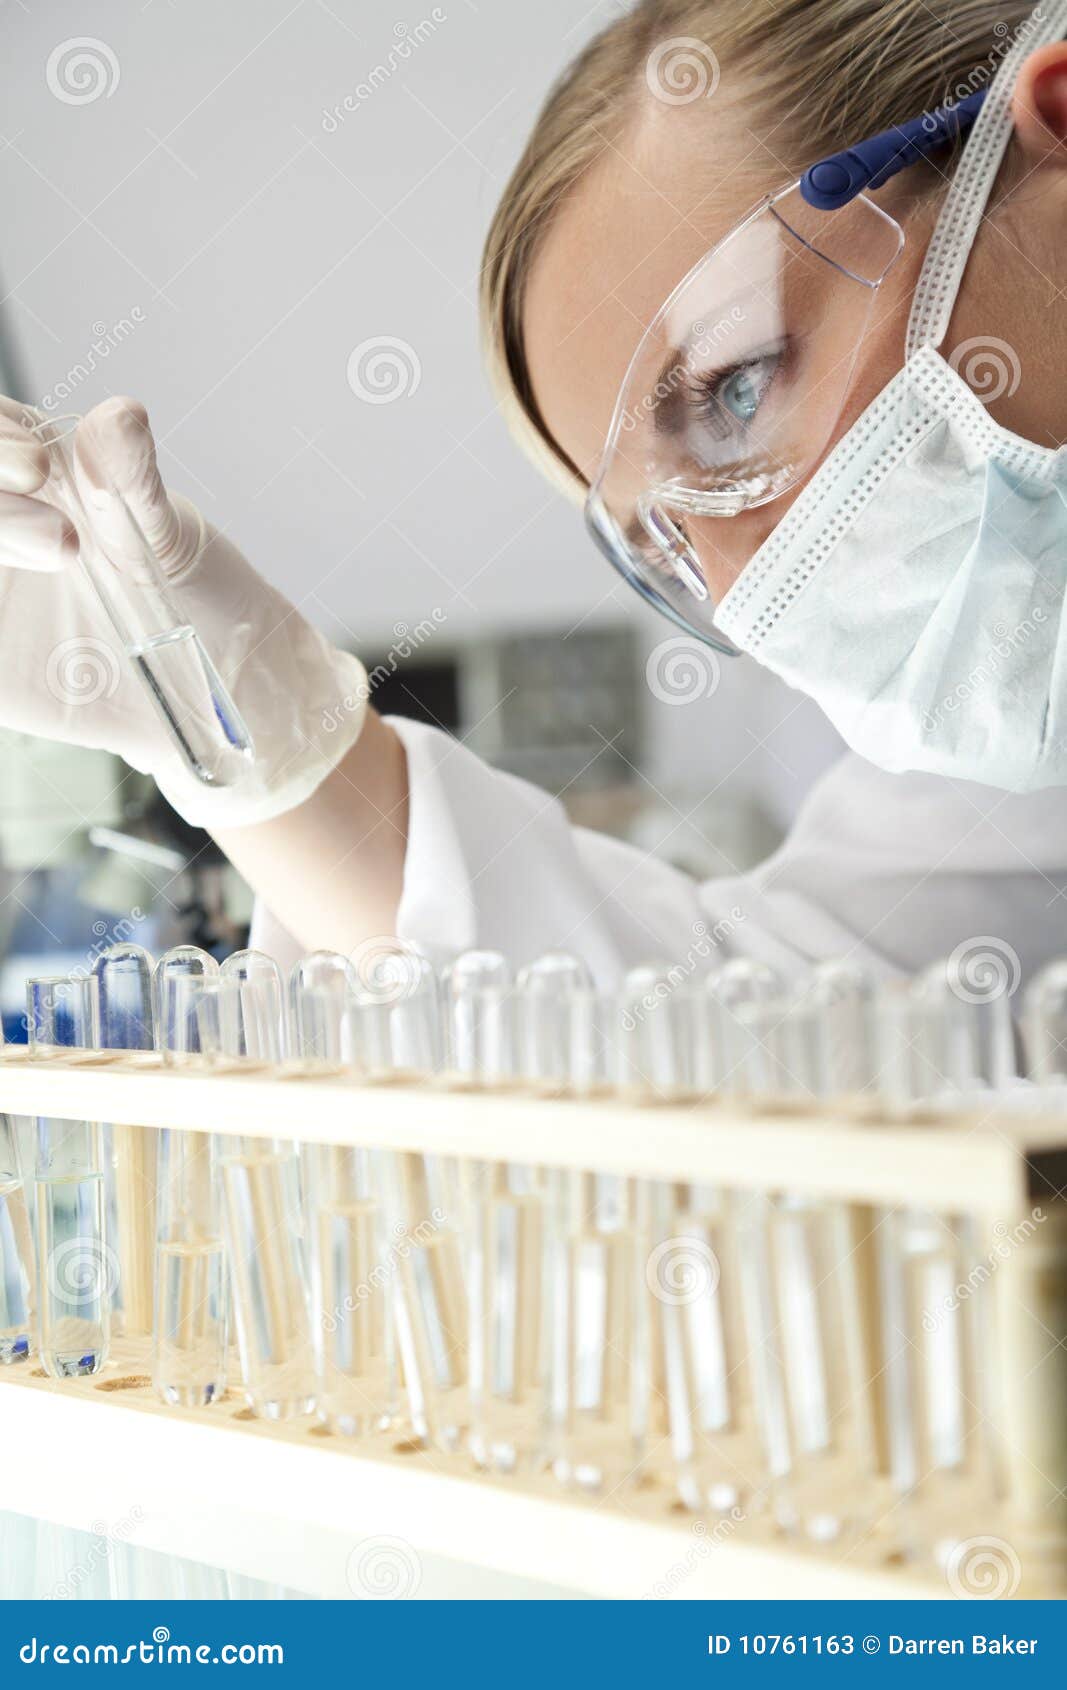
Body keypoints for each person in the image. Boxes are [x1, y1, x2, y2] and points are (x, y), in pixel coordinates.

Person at [1, 0, 1067, 989]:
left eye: (736, 390)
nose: (742, 590)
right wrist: (253, 725)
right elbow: (772, 1014)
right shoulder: (1022, 764)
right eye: (673, 541)